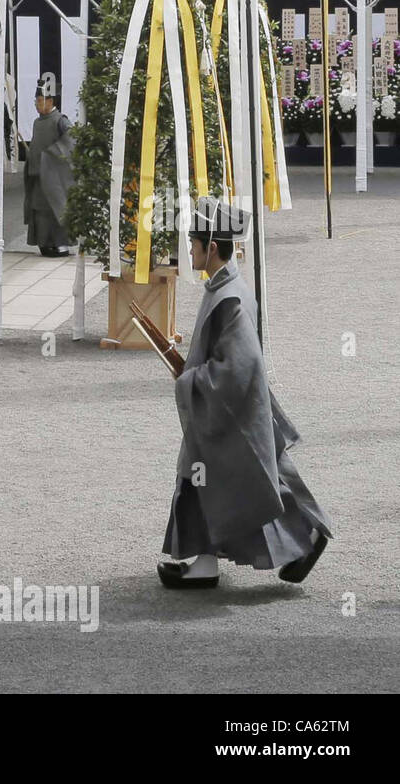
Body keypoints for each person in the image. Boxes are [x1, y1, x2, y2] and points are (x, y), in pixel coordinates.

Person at [157, 198, 331, 589]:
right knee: (214, 480)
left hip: (234, 410)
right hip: (231, 409)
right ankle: (205, 565)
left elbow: (238, 368)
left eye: (193, 243)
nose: (189, 250)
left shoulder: (230, 297)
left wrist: (191, 381)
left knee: (249, 484)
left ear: (212, 248)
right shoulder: (224, 286)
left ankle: (307, 538)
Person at [23, 77, 74, 257]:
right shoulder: (38, 122)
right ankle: (43, 243)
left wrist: (50, 155)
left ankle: (60, 245)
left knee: (55, 210)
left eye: (39, 101)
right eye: (36, 101)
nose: (37, 105)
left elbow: (71, 140)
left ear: (50, 101)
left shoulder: (60, 120)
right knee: (39, 211)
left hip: (53, 176)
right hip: (37, 176)